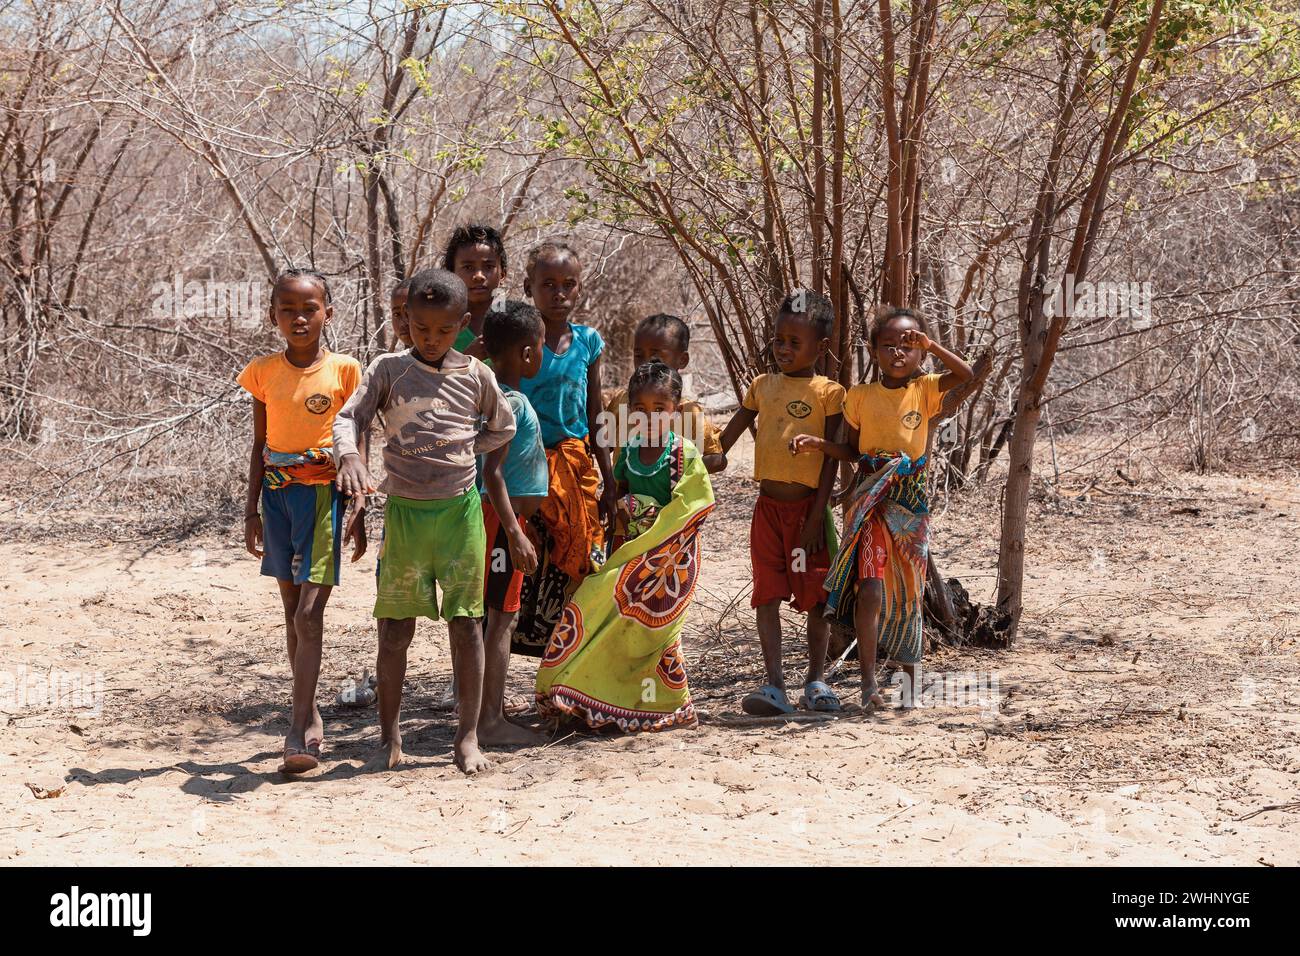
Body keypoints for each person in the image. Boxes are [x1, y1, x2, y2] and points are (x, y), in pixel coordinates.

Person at [333, 268, 516, 775]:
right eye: (420, 328)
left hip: (459, 517)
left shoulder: (477, 376)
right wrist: (350, 457)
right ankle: (388, 739)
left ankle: (468, 738)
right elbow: (349, 417)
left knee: (466, 627)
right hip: (406, 517)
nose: (430, 340)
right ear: (405, 323)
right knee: (394, 631)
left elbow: (504, 426)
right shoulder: (389, 370)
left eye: (442, 330)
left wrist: (462, 452)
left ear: (460, 325)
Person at [792, 307, 973, 709]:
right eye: (888, 345)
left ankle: (910, 683)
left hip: (910, 504)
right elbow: (854, 452)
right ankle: (870, 684)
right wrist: (821, 445)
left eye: (908, 346)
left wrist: (933, 346)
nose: (898, 354)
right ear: (874, 351)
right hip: (870, 500)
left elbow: (967, 377)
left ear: (920, 353)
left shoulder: (925, 389)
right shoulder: (859, 396)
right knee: (870, 589)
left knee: (908, 591)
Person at [536, 359, 712, 732]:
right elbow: (615, 495)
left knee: (657, 634)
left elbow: (695, 506)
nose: (650, 417)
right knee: (610, 619)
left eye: (659, 410)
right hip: (632, 558)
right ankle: (602, 698)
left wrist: (651, 518)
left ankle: (663, 705)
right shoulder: (629, 451)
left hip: (670, 565)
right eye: (641, 409)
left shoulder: (684, 454)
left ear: (675, 411)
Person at [238, 268, 365, 773]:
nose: (299, 317)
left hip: (324, 498)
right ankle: (309, 711)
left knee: (310, 614)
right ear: (273, 317)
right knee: (293, 613)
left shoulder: (346, 371)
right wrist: (250, 508)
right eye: (287, 309)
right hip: (277, 498)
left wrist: (359, 502)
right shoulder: (263, 372)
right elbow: (258, 445)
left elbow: (356, 442)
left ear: (328, 314)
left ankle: (297, 730)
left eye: (309, 308)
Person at [717, 290, 845, 715]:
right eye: (778, 340)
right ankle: (774, 685)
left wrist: (815, 518)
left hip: (810, 511)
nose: (784, 349)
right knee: (767, 594)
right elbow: (724, 444)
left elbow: (830, 461)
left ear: (821, 347)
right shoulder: (761, 386)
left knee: (815, 598)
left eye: (795, 341)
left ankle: (816, 680)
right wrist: (702, 454)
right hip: (767, 512)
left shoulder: (830, 393)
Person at [513, 239, 614, 655]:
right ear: (528, 287)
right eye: (548, 284)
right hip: (526, 470)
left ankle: (563, 671)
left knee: (575, 565)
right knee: (526, 565)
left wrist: (609, 479)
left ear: (579, 287)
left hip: (576, 469)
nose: (559, 294)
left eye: (568, 285)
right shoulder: (519, 339)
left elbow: (596, 413)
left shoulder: (588, 341)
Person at [476, 301, 549, 744]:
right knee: (501, 617)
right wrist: (516, 532)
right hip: (498, 524)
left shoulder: (491, 395)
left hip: (499, 521)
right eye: (540, 345)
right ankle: (490, 721)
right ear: (526, 353)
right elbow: (492, 473)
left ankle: (488, 708)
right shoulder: (509, 402)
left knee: (491, 617)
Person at [601, 313, 726, 473]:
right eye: (639, 356)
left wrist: (676, 475)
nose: (646, 363)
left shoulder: (688, 411)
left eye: (656, 356)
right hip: (624, 497)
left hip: (673, 498)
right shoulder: (621, 402)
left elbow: (716, 459)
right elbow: (603, 446)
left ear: (682, 360)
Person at [442, 223, 508, 357]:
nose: (479, 276)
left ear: (502, 274)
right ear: (451, 273)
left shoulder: (513, 323)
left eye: (488, 267)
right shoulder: (440, 327)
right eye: (468, 267)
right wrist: (468, 360)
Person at [389, 277, 412, 350]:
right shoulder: (386, 361)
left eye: (408, 314)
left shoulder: (447, 360)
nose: (403, 323)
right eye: (396, 314)